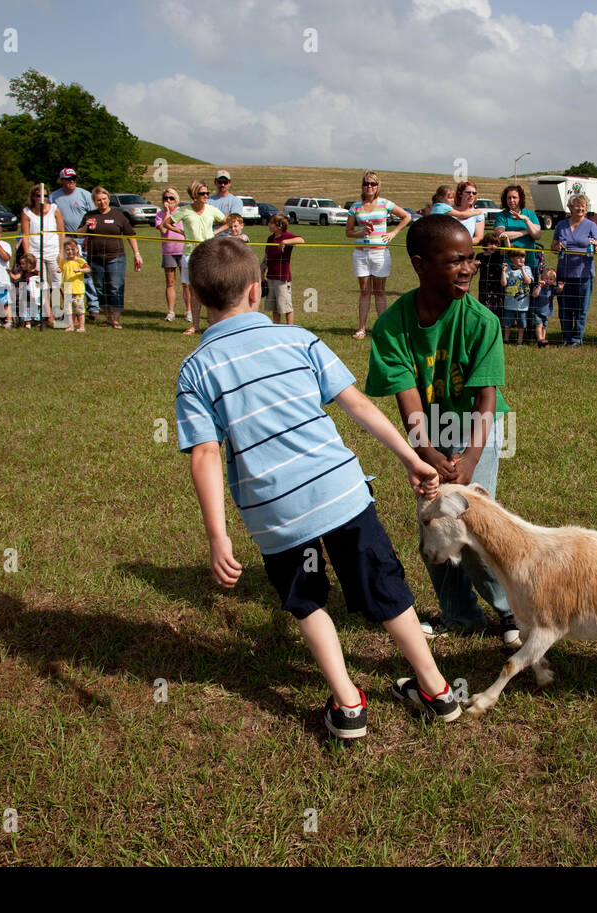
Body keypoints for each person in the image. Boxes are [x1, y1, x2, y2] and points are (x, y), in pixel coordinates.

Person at [175, 237, 460, 738]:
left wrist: (218, 536)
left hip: (275, 514)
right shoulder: (298, 339)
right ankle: (435, 687)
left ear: (195, 297)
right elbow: (359, 405)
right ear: (255, 290)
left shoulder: (196, 370)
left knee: (307, 599)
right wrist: (411, 457)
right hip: (341, 494)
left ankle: (348, 705)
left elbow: (205, 453)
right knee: (384, 586)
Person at [365, 215, 519, 648]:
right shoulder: (393, 324)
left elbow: (486, 398)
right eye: (455, 261)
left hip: (476, 427)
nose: (468, 268)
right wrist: (426, 451)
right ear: (420, 264)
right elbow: (406, 397)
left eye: (471, 259)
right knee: (434, 525)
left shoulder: (481, 321)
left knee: (471, 524)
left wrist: (469, 458)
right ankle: (460, 615)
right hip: (428, 430)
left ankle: (514, 613)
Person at [345, 171, 412, 339]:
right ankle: (361, 328)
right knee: (364, 291)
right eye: (367, 183)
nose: (369, 187)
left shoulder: (385, 203)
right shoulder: (355, 207)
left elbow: (407, 216)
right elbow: (348, 232)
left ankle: (382, 327)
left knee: (380, 292)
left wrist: (393, 233)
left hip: (380, 253)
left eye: (373, 184)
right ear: (362, 186)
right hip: (361, 254)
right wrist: (360, 232)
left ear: (378, 187)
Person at [79, 186, 142, 330]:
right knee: (100, 289)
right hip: (95, 259)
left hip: (116, 258)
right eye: (98, 200)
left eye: (104, 199)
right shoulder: (90, 216)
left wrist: (136, 253)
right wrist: (85, 227)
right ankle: (107, 318)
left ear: (108, 199)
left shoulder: (118, 216)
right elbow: (79, 235)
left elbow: (130, 235)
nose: (102, 202)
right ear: (94, 201)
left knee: (115, 287)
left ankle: (116, 319)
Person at [168, 180, 225, 335]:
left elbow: (226, 221)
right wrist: (180, 232)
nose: (206, 196)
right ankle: (195, 325)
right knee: (194, 292)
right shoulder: (185, 210)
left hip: (208, 254)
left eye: (207, 193)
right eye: (202, 193)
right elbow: (168, 223)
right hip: (190, 254)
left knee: (210, 290)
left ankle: (213, 324)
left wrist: (215, 233)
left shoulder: (211, 210)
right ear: (194, 194)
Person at [49, 168, 98, 318]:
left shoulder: (85, 195)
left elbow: (93, 217)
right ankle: (70, 307)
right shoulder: (54, 197)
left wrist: (88, 238)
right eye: (68, 179)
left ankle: (93, 307)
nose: (72, 182)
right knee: (66, 273)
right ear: (62, 180)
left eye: (74, 179)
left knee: (85, 272)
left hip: (82, 239)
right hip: (63, 239)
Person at [550, 193, 597, 347]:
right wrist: (557, 246)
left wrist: (595, 245)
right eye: (577, 205)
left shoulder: (591, 225)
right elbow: (553, 245)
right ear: (570, 208)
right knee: (564, 307)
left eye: (583, 205)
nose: (580, 208)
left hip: (584, 274)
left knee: (580, 308)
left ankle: (577, 339)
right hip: (564, 272)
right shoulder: (561, 225)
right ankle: (565, 337)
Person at [20, 185, 66, 328]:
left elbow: (61, 231)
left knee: (59, 283)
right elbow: (25, 235)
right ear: (33, 197)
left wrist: (61, 252)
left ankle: (68, 314)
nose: (42, 199)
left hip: (53, 252)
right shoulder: (27, 212)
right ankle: (49, 316)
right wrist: (28, 255)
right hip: (35, 253)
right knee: (41, 285)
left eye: (45, 196)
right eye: (39, 196)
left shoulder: (54, 209)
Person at [262, 212, 304, 325]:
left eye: (271, 223)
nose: (269, 225)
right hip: (270, 276)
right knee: (274, 306)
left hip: (282, 278)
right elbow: (267, 256)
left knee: (285, 306)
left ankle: (290, 328)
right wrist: (262, 270)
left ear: (280, 225)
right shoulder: (270, 238)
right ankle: (277, 326)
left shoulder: (287, 236)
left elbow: (301, 240)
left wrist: (285, 242)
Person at [154, 186, 189, 323]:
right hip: (168, 251)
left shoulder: (183, 212)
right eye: (165, 198)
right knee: (170, 283)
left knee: (186, 283)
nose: (168, 200)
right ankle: (171, 311)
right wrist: (167, 212)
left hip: (183, 250)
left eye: (171, 198)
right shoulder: (160, 214)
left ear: (177, 199)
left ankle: (188, 311)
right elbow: (163, 229)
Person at [502, 247, 534, 346]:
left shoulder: (527, 269)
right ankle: (506, 339)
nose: (521, 259)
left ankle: (520, 340)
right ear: (511, 259)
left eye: (523, 256)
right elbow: (503, 283)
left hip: (523, 304)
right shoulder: (508, 270)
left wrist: (522, 270)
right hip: (509, 303)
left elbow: (528, 281)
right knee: (507, 323)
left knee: (521, 324)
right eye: (518, 257)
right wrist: (503, 271)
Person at [59, 238, 90, 332]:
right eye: (68, 250)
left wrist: (80, 270)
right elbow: (61, 268)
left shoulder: (80, 261)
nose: (70, 251)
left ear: (77, 249)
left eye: (72, 249)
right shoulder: (64, 261)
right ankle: (70, 325)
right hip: (67, 288)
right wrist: (58, 269)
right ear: (65, 250)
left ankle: (81, 326)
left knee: (79, 309)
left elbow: (88, 269)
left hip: (77, 289)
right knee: (68, 309)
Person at [475, 232, 506, 319]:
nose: (493, 246)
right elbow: (474, 272)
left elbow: (507, 249)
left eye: (496, 244)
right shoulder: (479, 255)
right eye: (491, 243)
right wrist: (475, 266)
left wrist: (506, 239)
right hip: (484, 286)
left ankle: (497, 325)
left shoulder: (498, 255)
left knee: (498, 308)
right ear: (485, 243)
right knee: (484, 308)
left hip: (497, 286)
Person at [206, 170, 243, 236]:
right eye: (220, 182)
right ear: (215, 182)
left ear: (229, 183)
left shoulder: (236, 201)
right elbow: (205, 220)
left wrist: (216, 230)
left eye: (225, 182)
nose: (222, 185)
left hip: (229, 238)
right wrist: (225, 218)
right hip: (210, 239)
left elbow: (234, 221)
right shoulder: (208, 201)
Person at [450, 181, 487, 245]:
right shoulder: (449, 210)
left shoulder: (478, 214)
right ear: (460, 194)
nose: (471, 195)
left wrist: (461, 242)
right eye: (468, 192)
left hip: (465, 249)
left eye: (474, 193)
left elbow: (479, 238)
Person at [528, 267, 556, 347]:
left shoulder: (552, 288)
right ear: (541, 278)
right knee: (539, 325)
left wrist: (560, 288)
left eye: (551, 279)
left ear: (554, 281)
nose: (548, 280)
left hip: (546, 312)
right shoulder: (538, 286)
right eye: (546, 278)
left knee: (544, 326)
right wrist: (540, 286)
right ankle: (540, 339)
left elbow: (558, 291)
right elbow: (534, 295)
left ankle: (543, 340)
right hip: (536, 311)